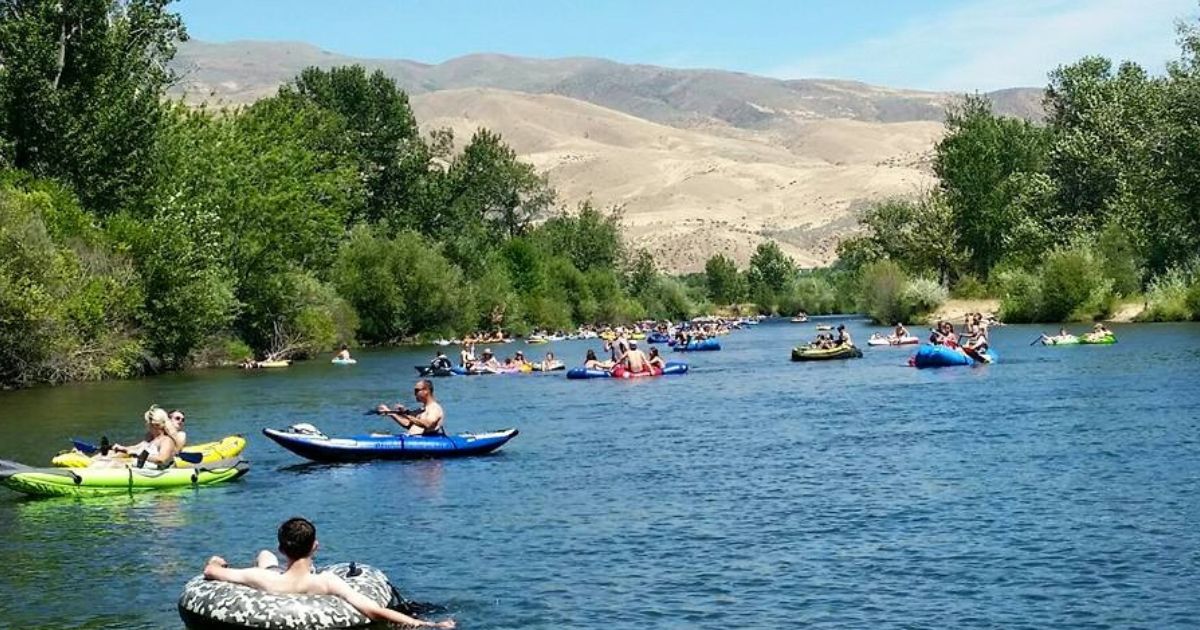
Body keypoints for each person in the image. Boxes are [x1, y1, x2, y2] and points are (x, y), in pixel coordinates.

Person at [203, 517, 455, 629]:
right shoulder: (325, 582)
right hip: (305, 580)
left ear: (283, 549)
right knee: (266, 557)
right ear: (315, 546)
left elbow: (211, 571)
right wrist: (428, 625)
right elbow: (374, 610)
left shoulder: (260, 577)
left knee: (264, 556)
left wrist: (216, 561)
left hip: (278, 581)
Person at [376, 379, 445, 437]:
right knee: (376, 436)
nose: (414, 394)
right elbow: (407, 424)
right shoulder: (422, 409)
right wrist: (390, 412)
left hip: (422, 442)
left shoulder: (434, 408)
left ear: (426, 391)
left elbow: (427, 424)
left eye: (417, 390)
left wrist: (406, 415)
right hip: (411, 438)